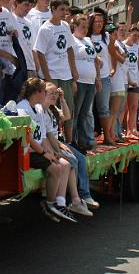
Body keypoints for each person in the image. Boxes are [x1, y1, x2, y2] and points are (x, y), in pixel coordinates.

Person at [15, 77, 75, 223]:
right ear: (38, 92)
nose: (48, 94)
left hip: (38, 150)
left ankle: (57, 204)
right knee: (55, 169)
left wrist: (50, 153)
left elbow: (42, 136)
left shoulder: (39, 108)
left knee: (61, 163)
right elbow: (27, 137)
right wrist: (44, 153)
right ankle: (50, 204)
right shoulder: (22, 107)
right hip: (26, 151)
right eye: (45, 91)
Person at [42, 82, 97, 216]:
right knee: (72, 160)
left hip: (59, 142)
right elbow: (47, 136)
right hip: (54, 143)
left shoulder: (52, 109)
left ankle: (82, 196)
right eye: (51, 93)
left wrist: (62, 99)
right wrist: (59, 148)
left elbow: (67, 116)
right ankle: (75, 199)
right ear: (42, 94)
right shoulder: (40, 110)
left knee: (80, 158)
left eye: (56, 93)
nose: (54, 96)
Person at [34, 0, 78, 142]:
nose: (64, 13)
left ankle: (69, 141)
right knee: (51, 108)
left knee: (68, 108)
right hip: (52, 74)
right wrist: (47, 78)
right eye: (61, 9)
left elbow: (70, 49)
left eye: (66, 9)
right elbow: (39, 52)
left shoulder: (65, 26)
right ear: (53, 9)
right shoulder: (45, 28)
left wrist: (73, 71)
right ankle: (54, 139)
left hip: (65, 74)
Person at [70, 14, 101, 151]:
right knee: (75, 113)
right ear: (75, 27)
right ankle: (73, 139)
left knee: (85, 113)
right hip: (80, 81)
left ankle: (83, 140)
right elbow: (70, 60)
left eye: (86, 27)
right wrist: (73, 80)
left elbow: (95, 60)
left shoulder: (88, 40)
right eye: (82, 27)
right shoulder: (71, 40)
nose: (85, 30)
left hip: (90, 82)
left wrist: (98, 78)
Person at [88, 9, 112, 142]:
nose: (99, 24)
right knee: (89, 108)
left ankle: (107, 137)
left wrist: (112, 70)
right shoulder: (86, 37)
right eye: (96, 21)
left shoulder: (106, 36)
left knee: (104, 108)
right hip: (90, 77)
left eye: (101, 22)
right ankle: (90, 137)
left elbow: (113, 53)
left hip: (104, 76)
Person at [11, 0, 38, 79]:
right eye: (26, 4)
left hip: (31, 68)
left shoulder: (29, 23)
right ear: (16, 3)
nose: (29, 8)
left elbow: (34, 47)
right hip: (18, 68)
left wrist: (37, 67)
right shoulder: (10, 18)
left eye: (31, 5)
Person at [123, 26, 139, 139]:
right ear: (129, 33)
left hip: (135, 80)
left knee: (134, 106)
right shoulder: (122, 45)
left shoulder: (136, 47)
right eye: (134, 35)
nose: (136, 38)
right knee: (123, 108)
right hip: (125, 80)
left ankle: (132, 129)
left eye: (138, 36)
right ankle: (124, 130)